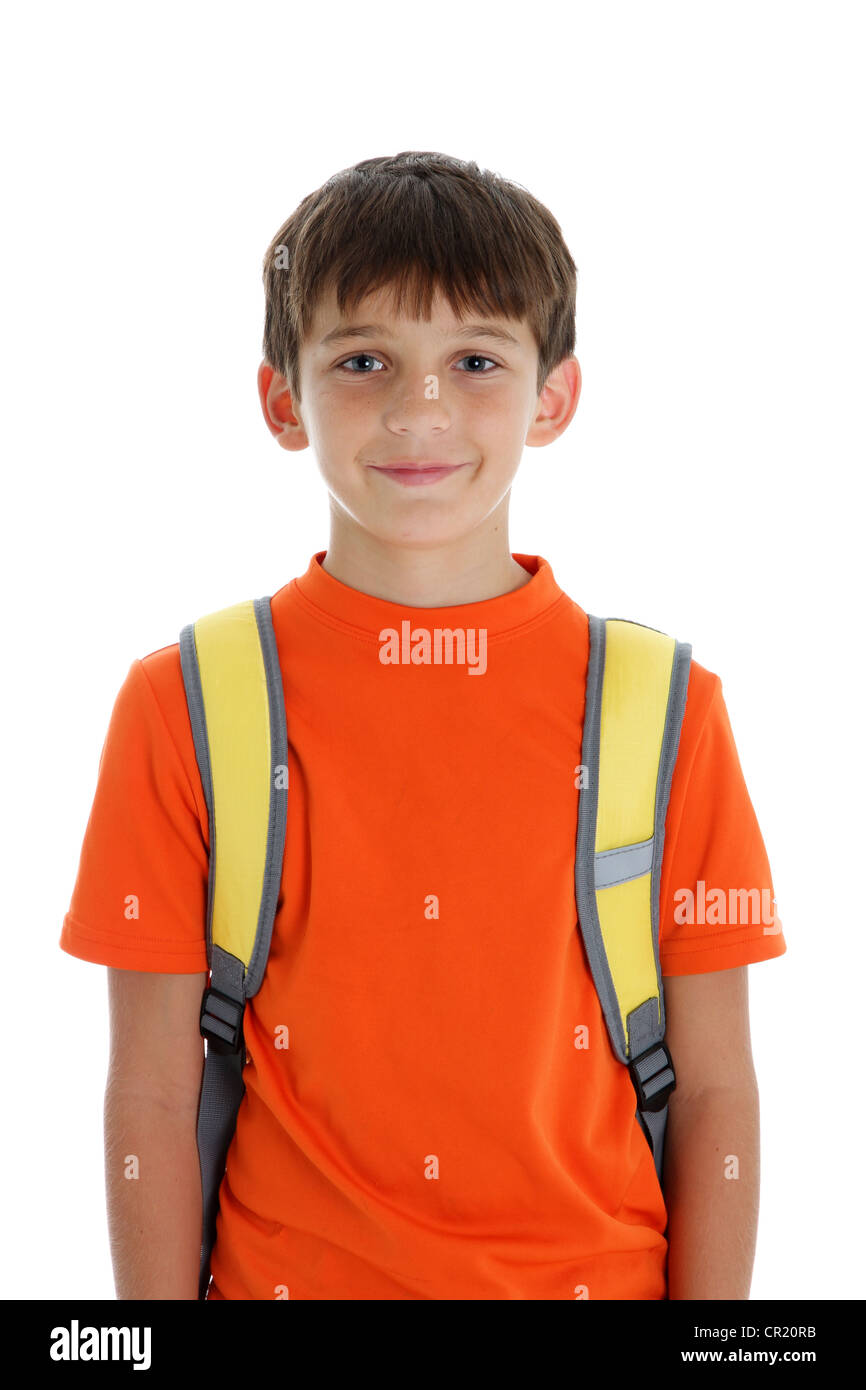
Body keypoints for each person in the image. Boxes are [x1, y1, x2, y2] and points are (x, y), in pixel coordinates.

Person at [60, 150, 786, 1301]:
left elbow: (713, 1089)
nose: (419, 409)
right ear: (280, 400)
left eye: (474, 360)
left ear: (553, 396)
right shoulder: (188, 701)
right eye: (362, 360)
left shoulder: (663, 709)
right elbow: (148, 1085)